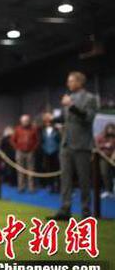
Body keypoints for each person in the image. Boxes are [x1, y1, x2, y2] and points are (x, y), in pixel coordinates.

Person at [50, 71, 98, 220]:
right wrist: (53, 119)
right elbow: (65, 118)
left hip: (82, 145)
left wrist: (71, 105)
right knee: (65, 179)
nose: (68, 83)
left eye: (71, 81)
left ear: (80, 82)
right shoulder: (69, 98)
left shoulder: (90, 98)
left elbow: (88, 118)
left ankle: (85, 212)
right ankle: (65, 210)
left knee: (84, 180)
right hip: (66, 144)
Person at [10, 114, 40, 193]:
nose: (25, 122)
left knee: (31, 170)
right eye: (23, 121)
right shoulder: (17, 129)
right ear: (21, 121)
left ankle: (31, 188)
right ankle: (21, 187)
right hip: (20, 152)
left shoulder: (33, 129)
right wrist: (17, 148)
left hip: (30, 152)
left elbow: (37, 141)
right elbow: (12, 140)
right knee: (20, 170)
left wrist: (33, 149)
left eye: (26, 120)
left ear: (29, 121)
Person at [40, 112, 61, 193]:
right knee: (49, 171)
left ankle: (58, 187)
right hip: (46, 153)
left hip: (56, 152)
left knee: (57, 170)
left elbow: (59, 140)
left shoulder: (56, 129)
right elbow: (41, 141)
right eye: (46, 121)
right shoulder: (42, 130)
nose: (48, 122)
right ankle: (51, 186)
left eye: (49, 121)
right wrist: (44, 148)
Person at [95, 123, 115, 199]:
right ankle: (108, 190)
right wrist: (104, 146)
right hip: (103, 157)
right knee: (105, 173)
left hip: (113, 157)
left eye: (112, 129)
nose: (110, 130)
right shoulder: (100, 136)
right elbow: (96, 146)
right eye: (109, 128)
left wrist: (113, 155)